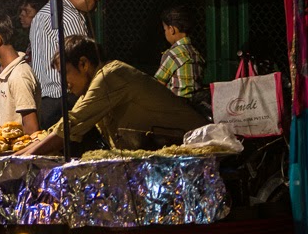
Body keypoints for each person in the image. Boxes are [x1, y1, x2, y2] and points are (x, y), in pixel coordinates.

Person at [17, 35, 207, 156]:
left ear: (83, 64)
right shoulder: (91, 87)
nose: (64, 82)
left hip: (198, 150)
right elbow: (64, 126)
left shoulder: (110, 76)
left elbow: (73, 123)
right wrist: (20, 153)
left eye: (65, 73)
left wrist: (25, 157)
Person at [29, 0, 102, 128]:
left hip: (44, 101)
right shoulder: (69, 17)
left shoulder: (40, 14)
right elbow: (80, 62)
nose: (96, 6)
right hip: (66, 99)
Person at [155, 6, 206, 101]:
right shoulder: (196, 54)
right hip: (196, 106)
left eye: (165, 30)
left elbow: (158, 85)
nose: (165, 33)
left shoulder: (172, 55)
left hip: (176, 106)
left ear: (171, 29)